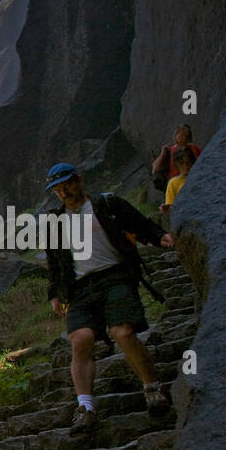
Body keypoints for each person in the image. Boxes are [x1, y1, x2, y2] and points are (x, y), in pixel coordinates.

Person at [43, 162, 175, 432]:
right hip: (79, 287)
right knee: (80, 340)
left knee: (123, 332)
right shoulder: (54, 222)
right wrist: (55, 292)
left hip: (115, 276)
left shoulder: (107, 204)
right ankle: (86, 407)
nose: (64, 191)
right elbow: (54, 262)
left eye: (67, 184)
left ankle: (152, 387)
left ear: (79, 179)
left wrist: (159, 237)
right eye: (57, 189)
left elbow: (139, 223)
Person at [152, 124, 201, 192]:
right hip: (177, 185)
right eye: (182, 135)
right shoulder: (168, 151)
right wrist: (162, 153)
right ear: (176, 135)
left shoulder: (194, 148)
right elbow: (155, 168)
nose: (184, 138)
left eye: (186, 136)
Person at [159, 146, 195, 212]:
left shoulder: (198, 175)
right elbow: (171, 206)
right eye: (181, 164)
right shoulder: (173, 183)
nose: (186, 166)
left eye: (188, 162)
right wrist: (166, 208)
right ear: (177, 165)